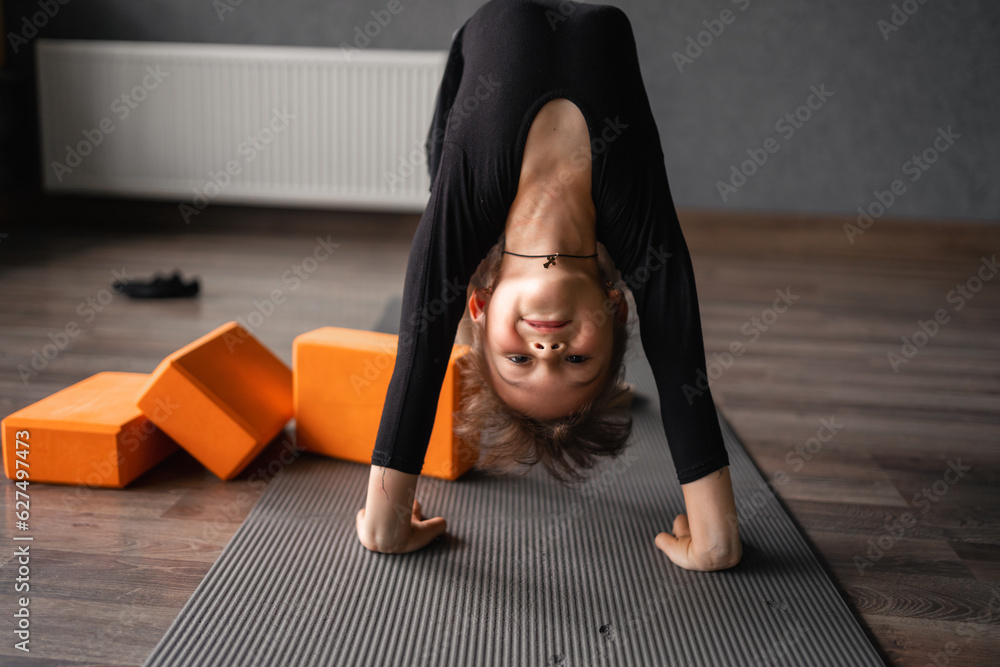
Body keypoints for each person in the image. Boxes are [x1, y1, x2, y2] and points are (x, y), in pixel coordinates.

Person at [356, 0, 741, 571]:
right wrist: (717, 539)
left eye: (519, 360)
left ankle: (486, 333)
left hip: (471, 61)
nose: (547, 348)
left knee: (438, 192)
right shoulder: (637, 221)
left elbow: (418, 358)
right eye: (576, 360)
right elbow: (681, 362)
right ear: (617, 309)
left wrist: (385, 521)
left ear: (480, 307)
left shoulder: (466, 200)